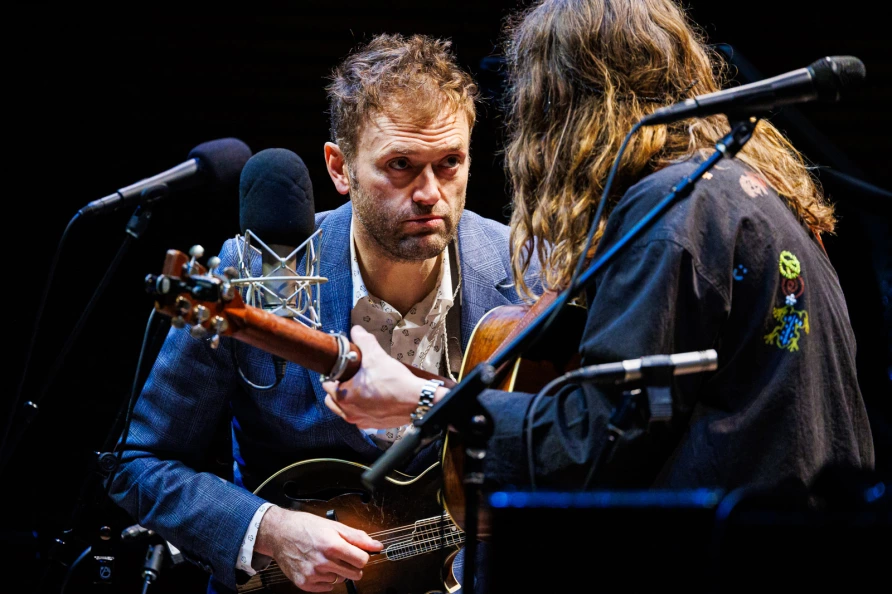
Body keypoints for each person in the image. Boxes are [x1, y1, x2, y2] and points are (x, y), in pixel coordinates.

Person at [323, 0, 875, 558]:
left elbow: (588, 443)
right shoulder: (751, 188)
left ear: (563, 106)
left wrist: (420, 398)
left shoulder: (669, 214)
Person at [109, 33, 539, 594]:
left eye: (450, 163)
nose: (431, 193)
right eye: (401, 165)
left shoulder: (528, 272)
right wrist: (270, 530)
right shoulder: (251, 272)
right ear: (340, 169)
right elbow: (140, 461)